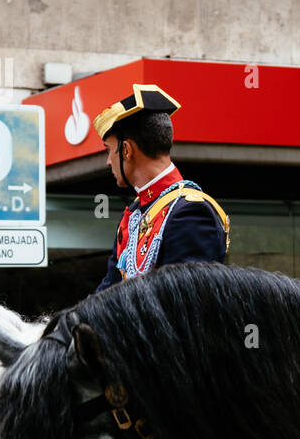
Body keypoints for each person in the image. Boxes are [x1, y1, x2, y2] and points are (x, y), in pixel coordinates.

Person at [93, 84, 228, 291]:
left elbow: (185, 304)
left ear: (126, 150)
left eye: (109, 150)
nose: (108, 162)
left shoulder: (190, 212)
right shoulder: (135, 212)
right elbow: (109, 290)